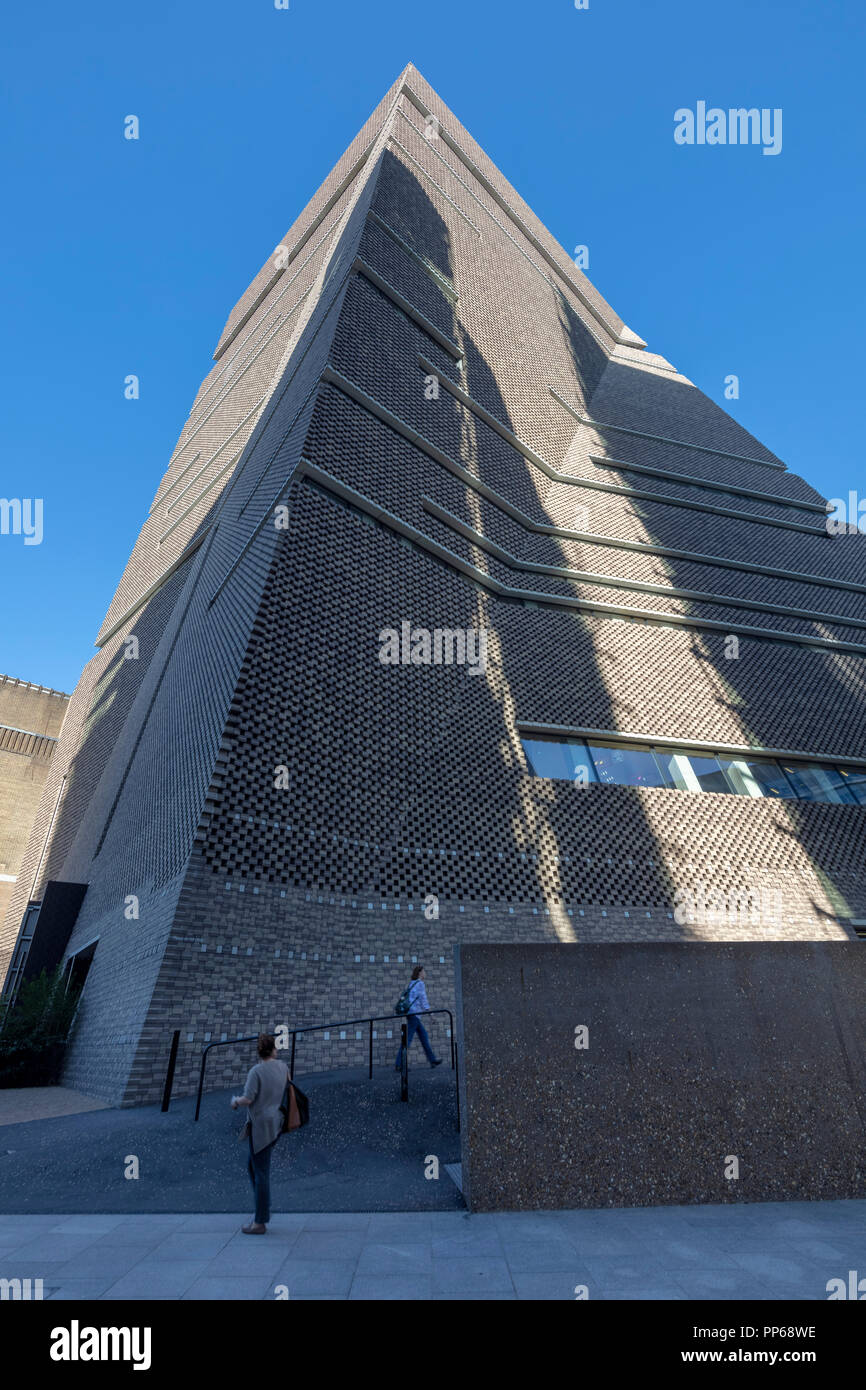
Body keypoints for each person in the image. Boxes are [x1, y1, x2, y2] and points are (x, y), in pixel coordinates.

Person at [231, 1033, 289, 1234]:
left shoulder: (256, 1071)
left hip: (261, 1126)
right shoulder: (283, 1067)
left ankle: (260, 1221)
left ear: (259, 1051)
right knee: (254, 1166)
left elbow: (248, 1098)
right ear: (274, 1049)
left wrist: (235, 1101)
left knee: (260, 1172)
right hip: (277, 1122)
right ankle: (263, 1205)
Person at [395, 965, 443, 1070]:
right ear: (420, 973)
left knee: (423, 1036)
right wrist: (431, 1015)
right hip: (414, 1015)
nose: (425, 973)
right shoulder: (420, 984)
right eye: (424, 972)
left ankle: (432, 1060)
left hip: (412, 1014)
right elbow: (423, 1000)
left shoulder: (412, 983)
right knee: (407, 1040)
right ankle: (399, 1064)